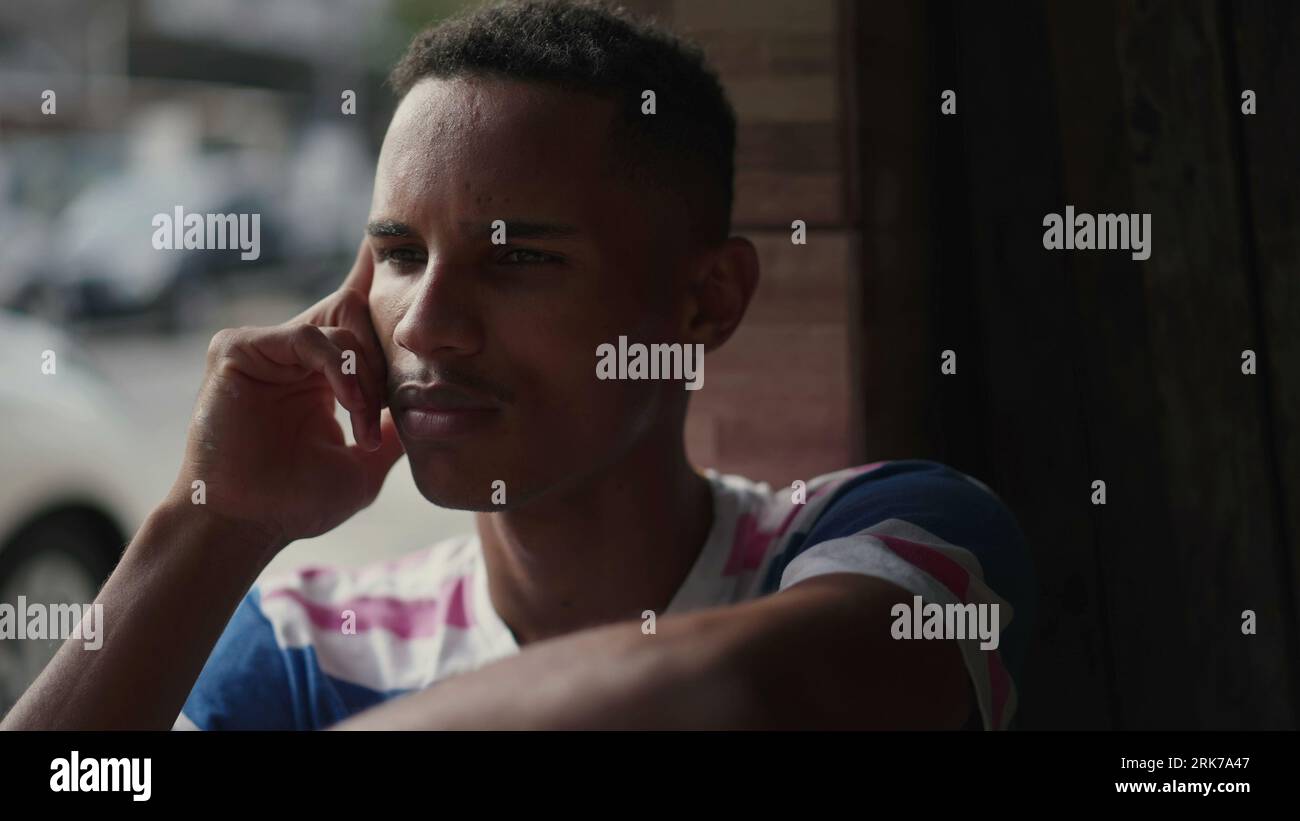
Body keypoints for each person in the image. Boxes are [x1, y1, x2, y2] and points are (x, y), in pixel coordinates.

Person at [1, 0, 1034, 731]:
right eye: (400, 254)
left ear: (706, 302)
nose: (427, 325)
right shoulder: (309, 647)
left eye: (518, 259)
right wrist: (211, 525)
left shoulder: (889, 535)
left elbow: (748, 692)